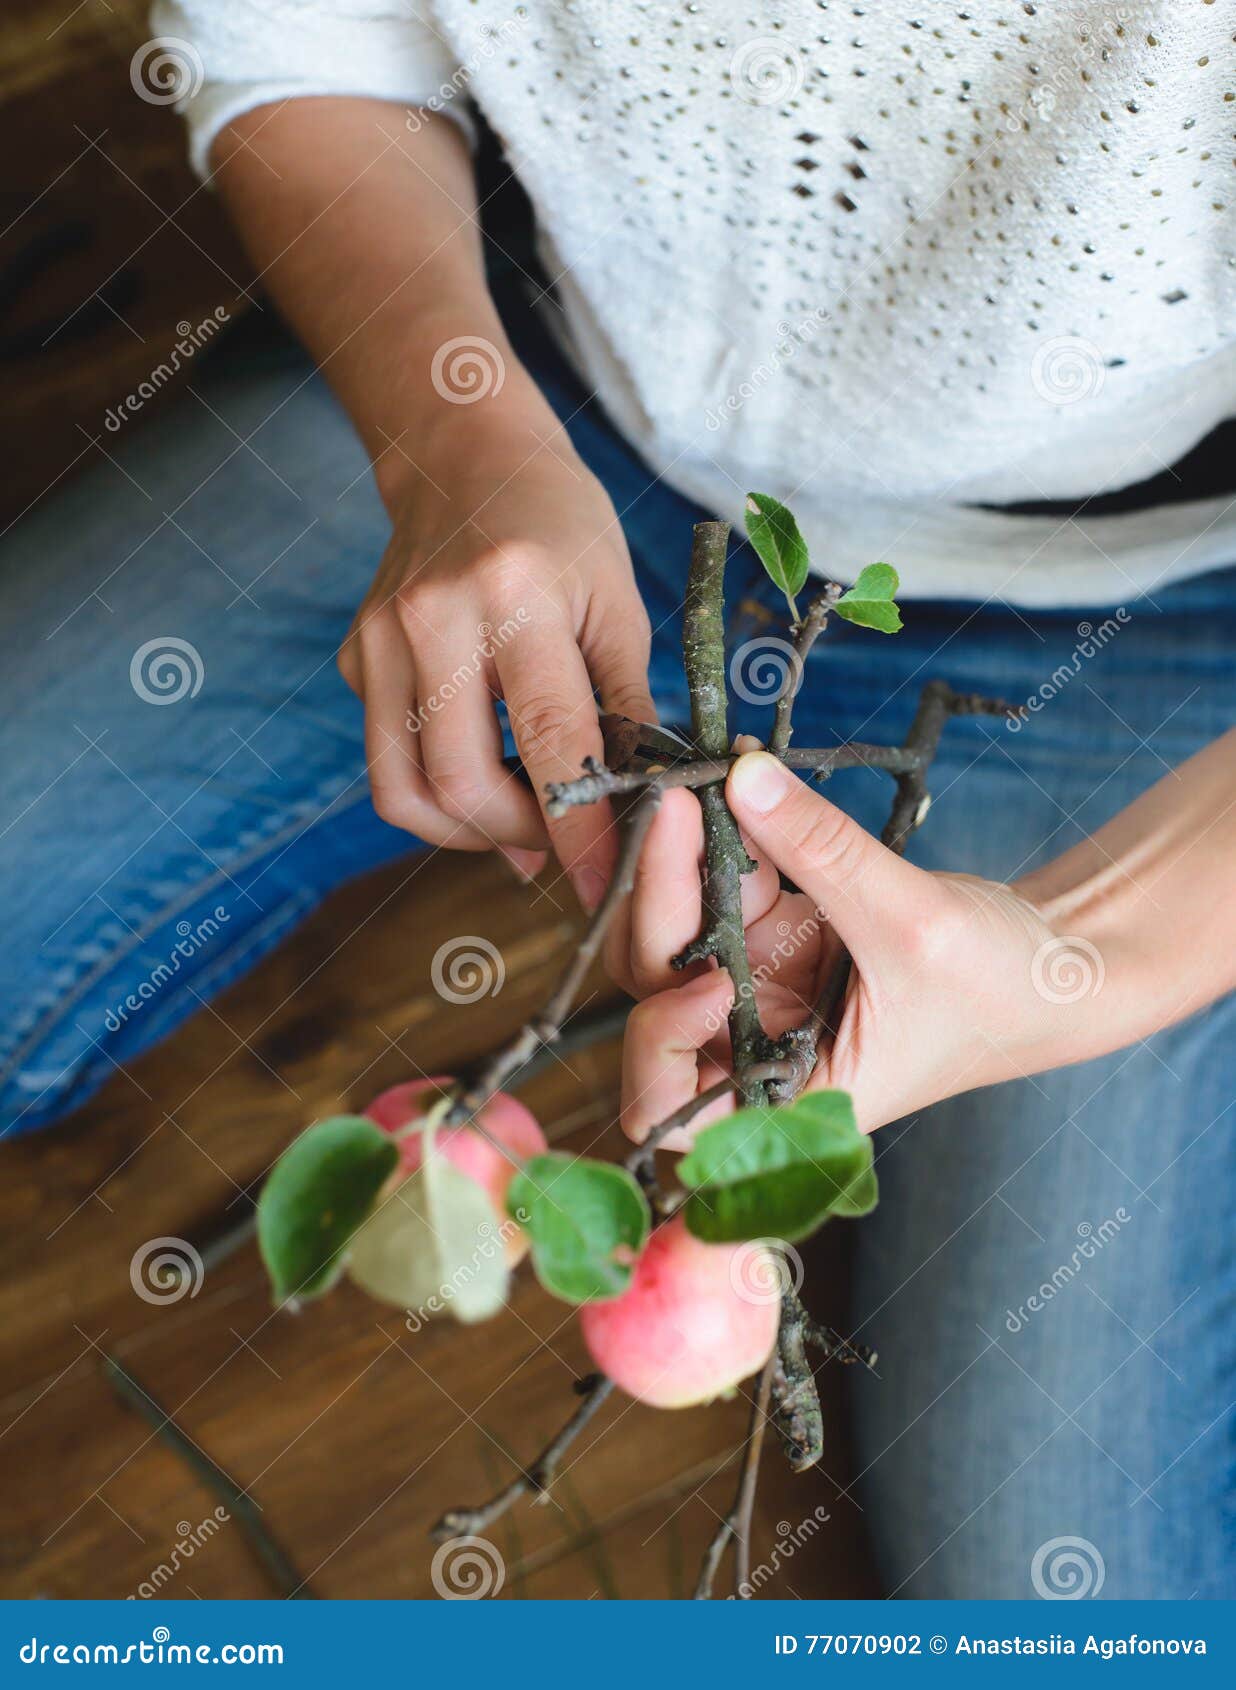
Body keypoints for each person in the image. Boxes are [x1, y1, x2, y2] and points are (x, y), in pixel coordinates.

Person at [1, 3, 1233, 1597]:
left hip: (1164, 623)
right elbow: (300, 34)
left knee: (1062, 1584)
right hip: (538, 412)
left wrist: (1090, 952)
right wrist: (448, 432)